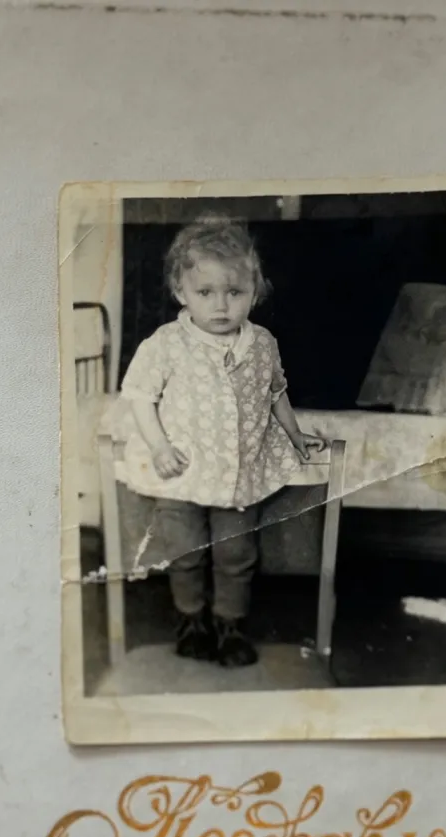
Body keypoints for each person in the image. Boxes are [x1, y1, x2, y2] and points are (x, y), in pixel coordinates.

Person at [120, 214, 326, 667]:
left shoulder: (262, 343)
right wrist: (158, 447)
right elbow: (138, 397)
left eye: (235, 293)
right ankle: (191, 621)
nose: (221, 306)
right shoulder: (167, 343)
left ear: (255, 292)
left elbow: (276, 394)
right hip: (182, 471)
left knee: (237, 554)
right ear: (181, 292)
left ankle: (230, 625)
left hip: (238, 471)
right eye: (205, 292)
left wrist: (295, 435)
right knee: (186, 551)